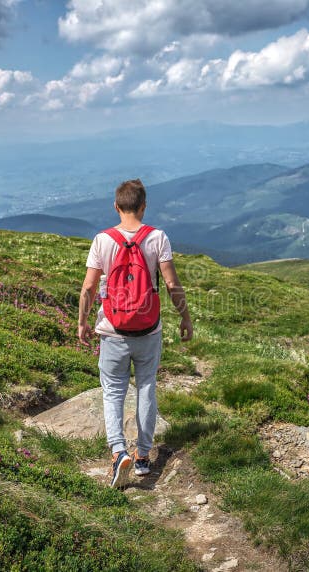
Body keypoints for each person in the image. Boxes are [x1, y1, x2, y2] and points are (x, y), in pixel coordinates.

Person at [78, 179, 193, 488]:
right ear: (144, 206)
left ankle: (118, 452)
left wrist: (82, 322)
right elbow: (171, 284)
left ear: (116, 206)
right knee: (146, 388)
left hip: (113, 331)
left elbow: (89, 287)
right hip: (149, 330)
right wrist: (185, 317)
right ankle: (143, 456)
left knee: (114, 391)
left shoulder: (103, 240)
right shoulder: (157, 238)